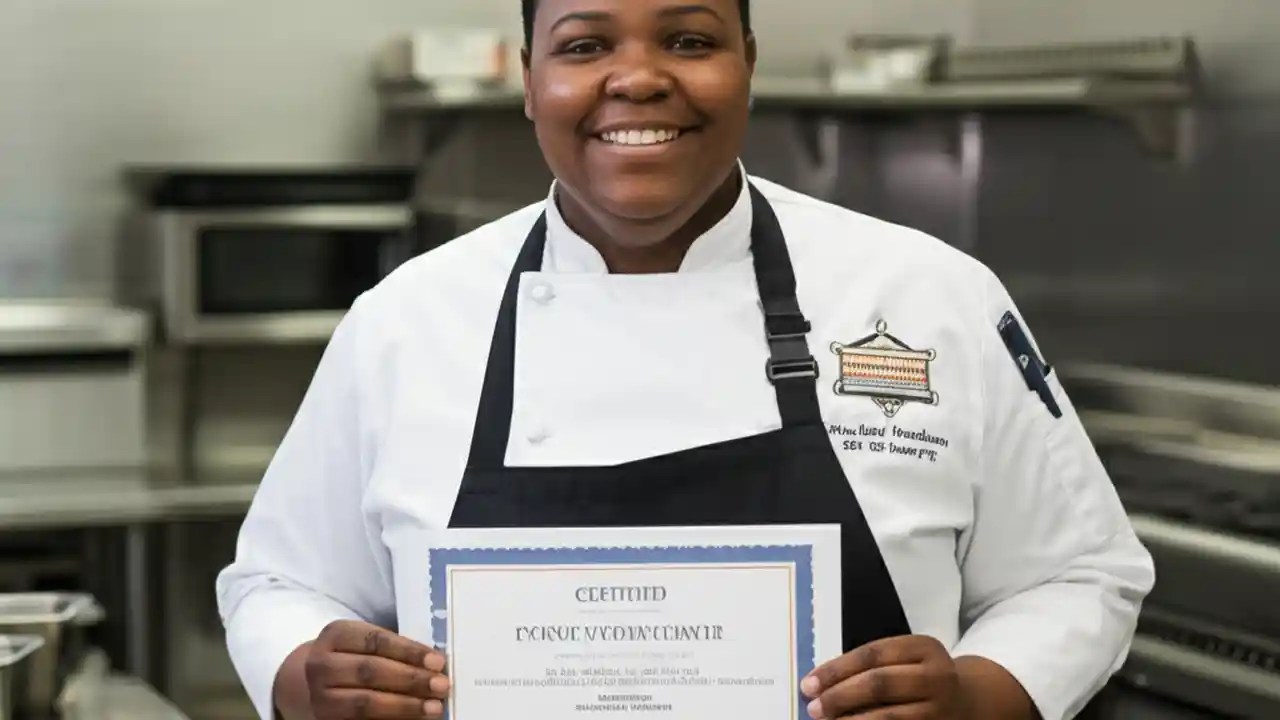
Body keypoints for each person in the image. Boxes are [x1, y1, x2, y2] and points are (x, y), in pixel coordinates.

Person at [216, 0, 1155, 718]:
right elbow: (279, 582)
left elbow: (1078, 574)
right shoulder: (407, 320)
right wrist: (304, 674)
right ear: (530, 80)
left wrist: (983, 695)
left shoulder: (927, 296)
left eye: (689, 40)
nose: (638, 78)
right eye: (585, 45)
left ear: (748, 65)